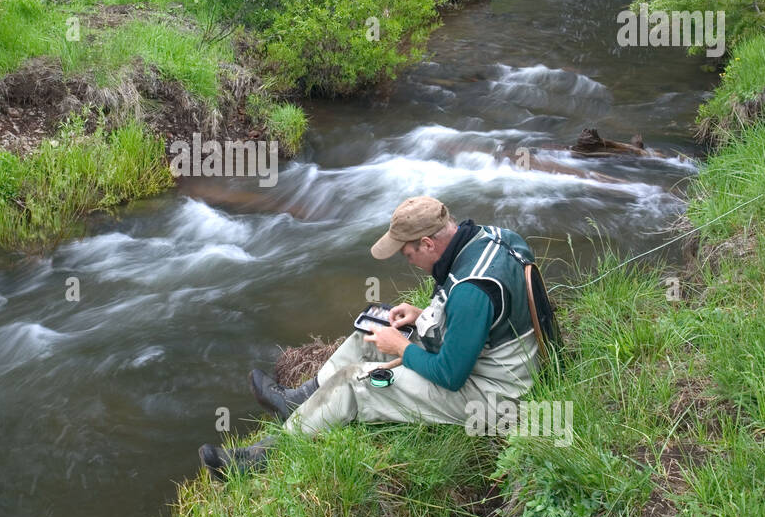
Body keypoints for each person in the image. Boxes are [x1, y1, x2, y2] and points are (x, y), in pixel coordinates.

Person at [198, 196, 544, 478]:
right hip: (489, 359)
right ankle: (298, 400)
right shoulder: (489, 239)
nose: (408, 262)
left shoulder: (471, 290)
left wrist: (403, 347)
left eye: (408, 254)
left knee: (356, 383)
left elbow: (450, 376)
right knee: (372, 333)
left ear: (427, 242)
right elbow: (490, 317)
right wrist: (423, 316)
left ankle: (266, 456)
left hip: (495, 396)